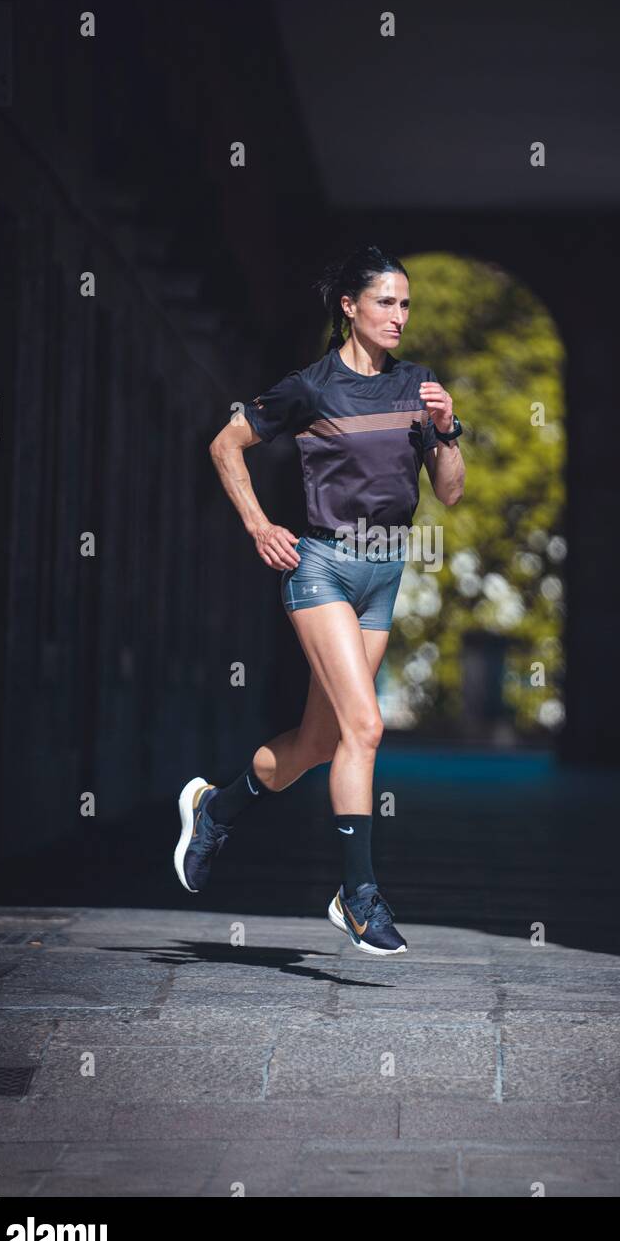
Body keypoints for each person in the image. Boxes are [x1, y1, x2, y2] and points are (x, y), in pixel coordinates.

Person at [174, 244, 465, 954]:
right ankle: (357, 894)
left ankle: (216, 806)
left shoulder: (418, 388)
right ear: (349, 308)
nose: (399, 316)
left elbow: (451, 490)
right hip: (322, 570)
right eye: (385, 302)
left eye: (405, 303)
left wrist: (449, 428)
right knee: (365, 727)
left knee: (318, 742)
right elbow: (224, 444)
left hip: (384, 572)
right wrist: (258, 524)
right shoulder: (309, 387)